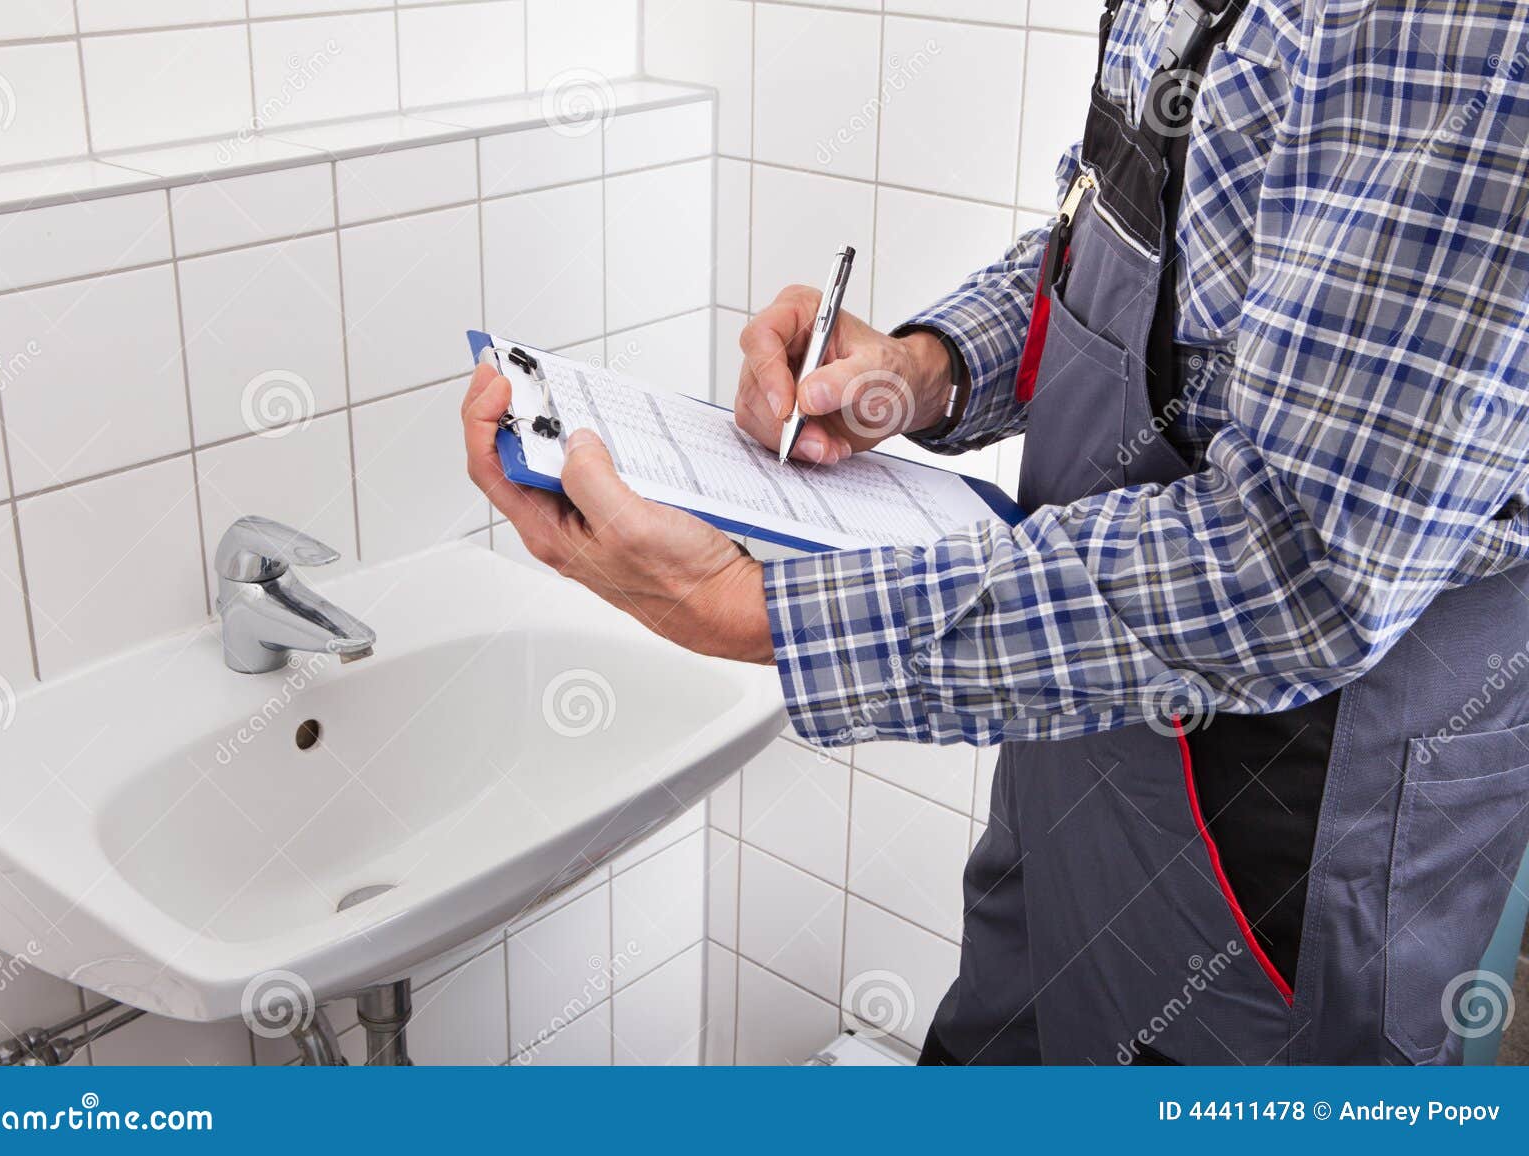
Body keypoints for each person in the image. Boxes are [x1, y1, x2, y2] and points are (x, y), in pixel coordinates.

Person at [464, 0, 1529, 1064]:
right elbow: (1126, 242)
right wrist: (922, 370)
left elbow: (1293, 564)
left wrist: (756, 611)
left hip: (1279, 832)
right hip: (1078, 746)